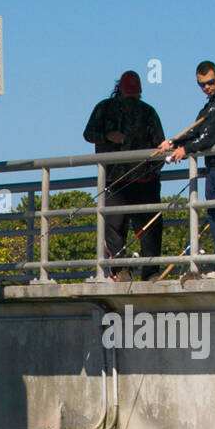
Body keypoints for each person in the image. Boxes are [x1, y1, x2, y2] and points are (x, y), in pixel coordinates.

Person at [158, 61, 215, 279]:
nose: (207, 87)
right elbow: (199, 131)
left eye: (210, 82)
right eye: (202, 85)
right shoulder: (210, 105)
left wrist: (186, 149)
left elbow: (211, 136)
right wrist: (173, 143)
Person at [83, 71, 166, 281]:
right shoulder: (105, 108)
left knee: (148, 228)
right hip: (115, 179)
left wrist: (153, 169)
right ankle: (122, 270)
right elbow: (89, 134)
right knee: (114, 227)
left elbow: (160, 146)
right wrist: (107, 136)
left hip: (142, 180)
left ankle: (149, 271)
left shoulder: (148, 112)